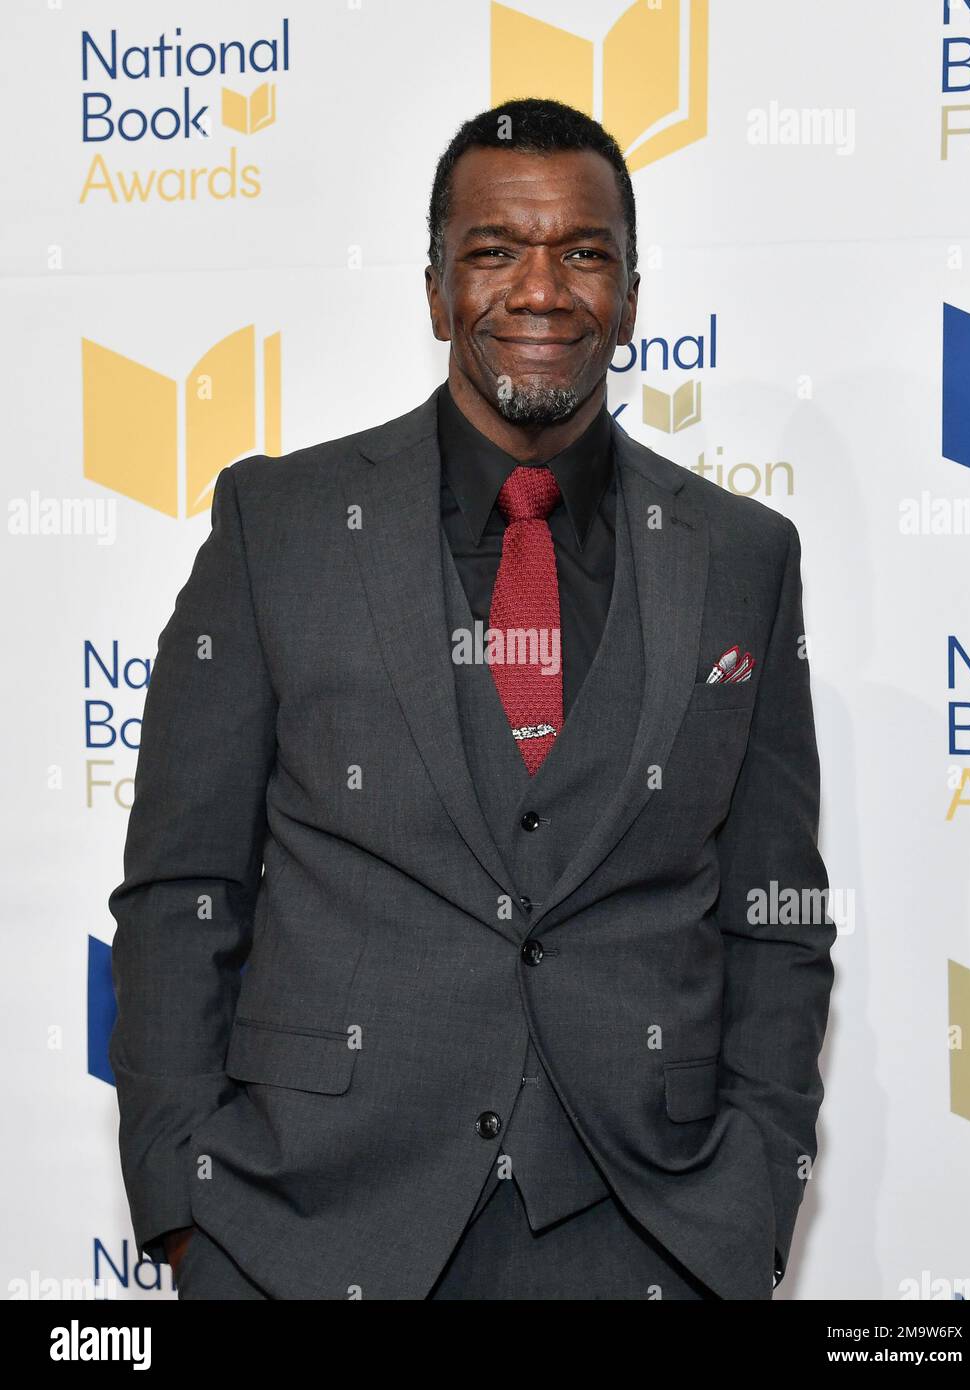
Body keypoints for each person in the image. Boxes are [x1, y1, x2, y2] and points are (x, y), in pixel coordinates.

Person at [108, 97, 836, 1301]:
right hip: (306, 1228)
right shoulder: (277, 525)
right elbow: (184, 883)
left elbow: (773, 913)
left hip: (648, 1229)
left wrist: (751, 1202)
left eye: (583, 252)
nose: (541, 290)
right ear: (438, 289)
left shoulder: (741, 554)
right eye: (496, 251)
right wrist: (188, 1208)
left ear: (634, 295)